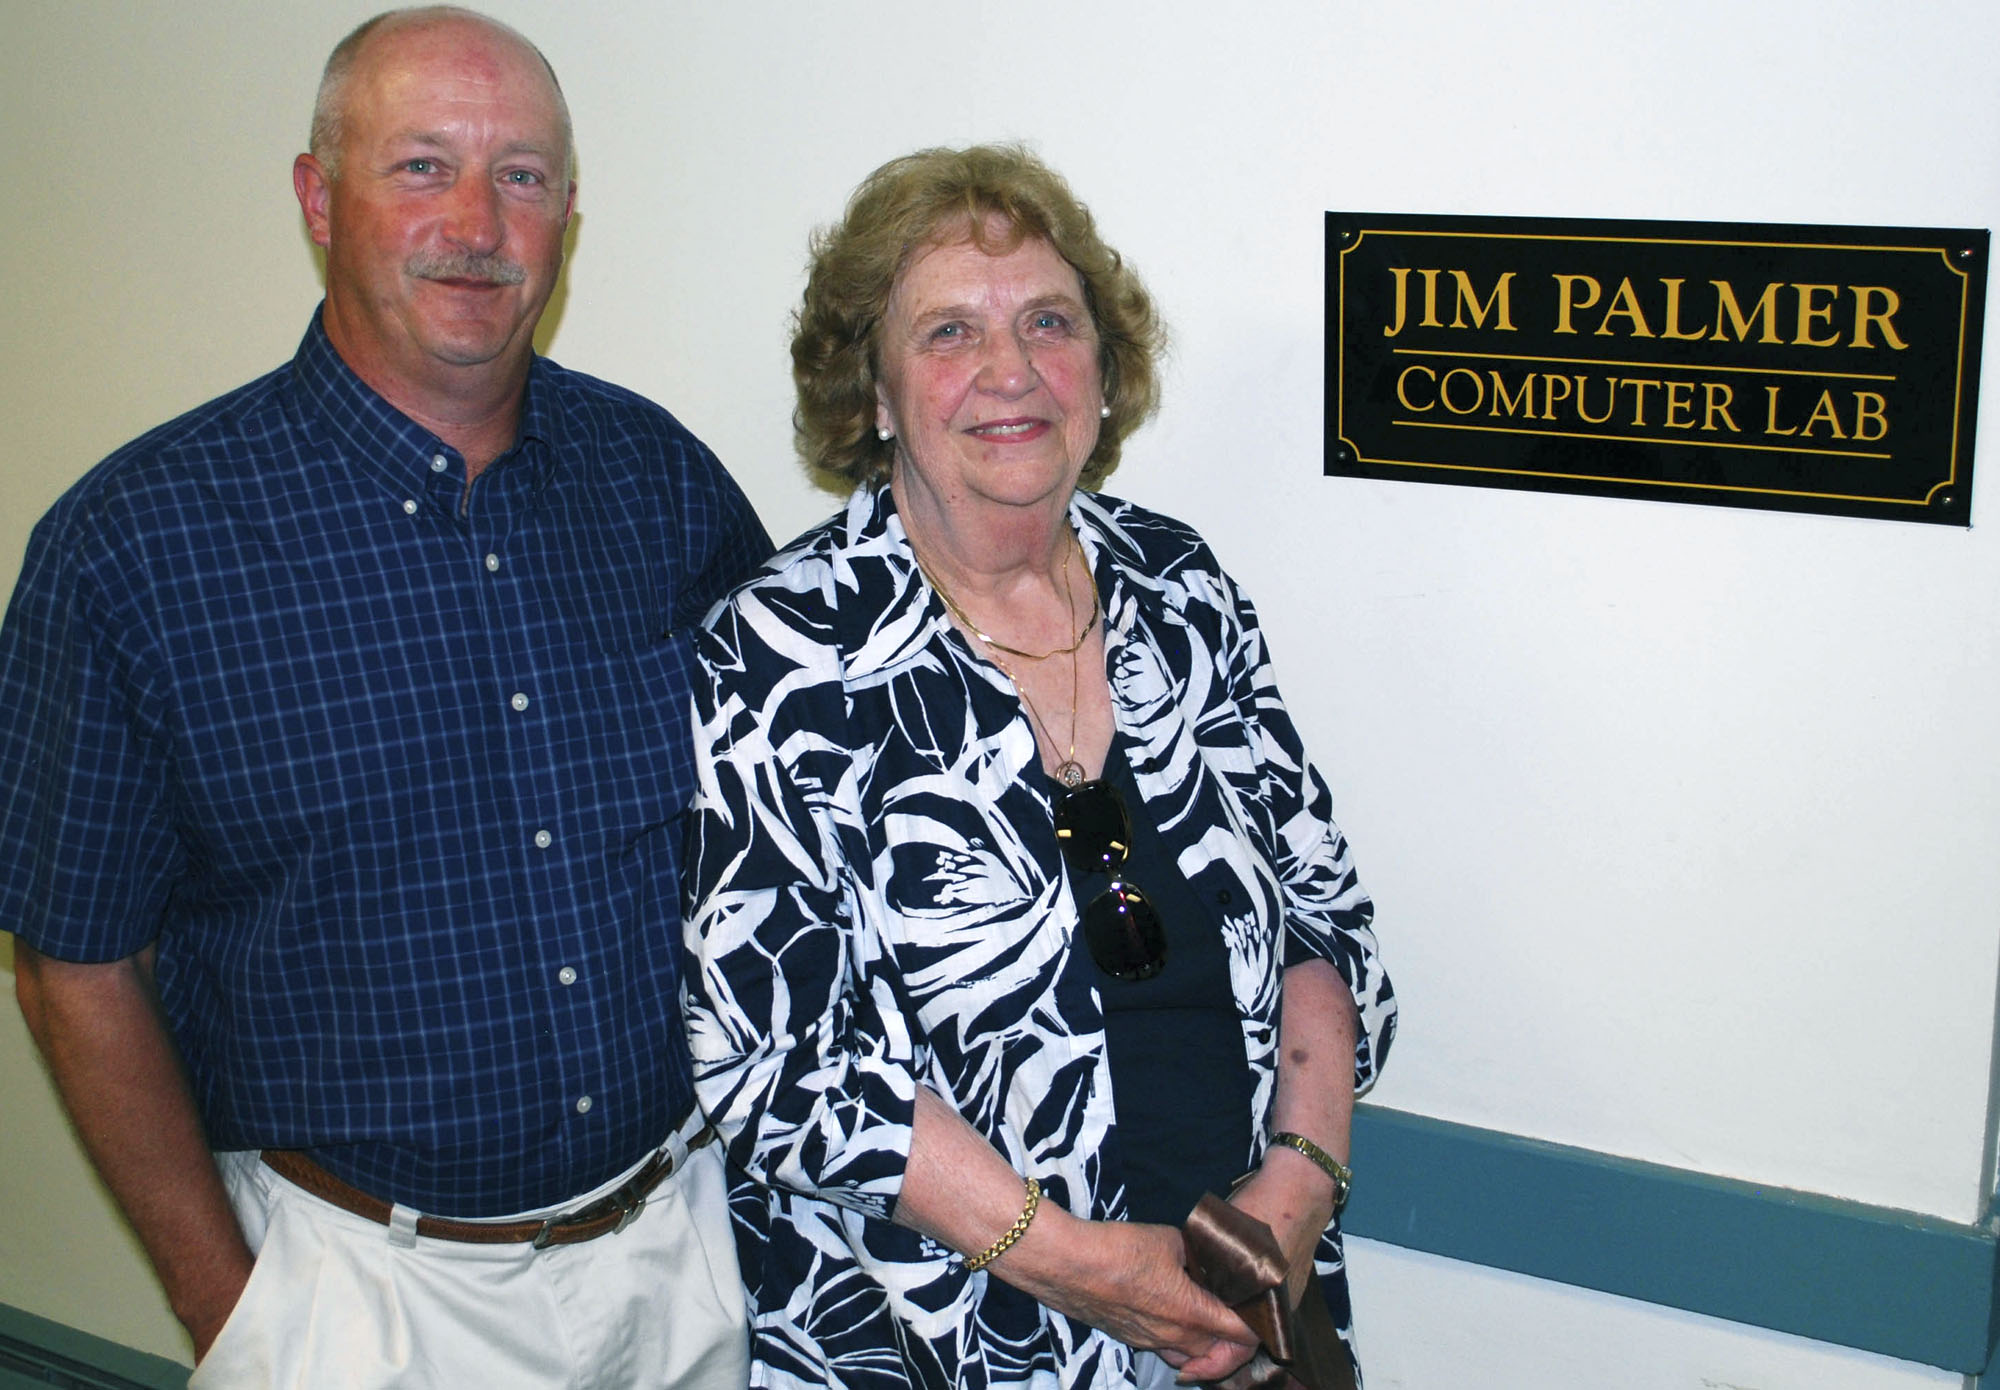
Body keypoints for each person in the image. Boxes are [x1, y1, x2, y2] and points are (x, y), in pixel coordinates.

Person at [1, 8, 769, 1386]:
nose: (476, 222)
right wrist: (233, 1312)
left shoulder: (662, 487)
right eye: (422, 167)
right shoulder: (132, 549)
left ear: (568, 216)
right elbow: (74, 966)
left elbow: (793, 812)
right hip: (357, 1296)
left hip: (680, 1258)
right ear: (316, 197)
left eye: (522, 176)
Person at [681, 144, 1397, 1390]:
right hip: (940, 1342)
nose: (1008, 372)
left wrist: (1293, 1196)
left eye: (1047, 323)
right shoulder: (780, 655)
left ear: (1102, 378)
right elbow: (773, 1064)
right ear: (878, 392)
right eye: (949, 330)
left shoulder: (1179, 588)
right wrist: (1078, 1265)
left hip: (1248, 1314)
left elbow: (1320, 914)